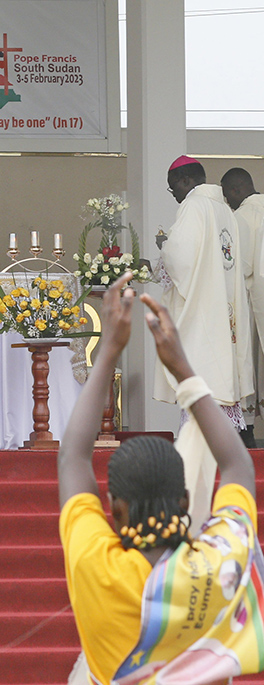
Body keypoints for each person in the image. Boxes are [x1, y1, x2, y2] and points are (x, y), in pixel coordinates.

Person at [59, 272, 263, 685]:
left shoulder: (96, 564)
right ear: (186, 502)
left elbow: (73, 457)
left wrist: (111, 349)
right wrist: (181, 367)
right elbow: (239, 466)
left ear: (114, 509)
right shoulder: (219, 561)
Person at [157, 155, 253, 525]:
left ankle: (197, 471)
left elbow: (179, 260)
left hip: (202, 317)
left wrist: (163, 246)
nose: (175, 196)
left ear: (184, 182)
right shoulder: (227, 211)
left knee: (199, 386)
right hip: (226, 314)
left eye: (172, 189)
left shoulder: (194, 207)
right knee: (220, 384)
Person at [222, 167, 264, 445]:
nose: (228, 202)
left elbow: (241, 267)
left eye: (228, 196)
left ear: (237, 190)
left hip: (254, 306)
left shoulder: (241, 217)